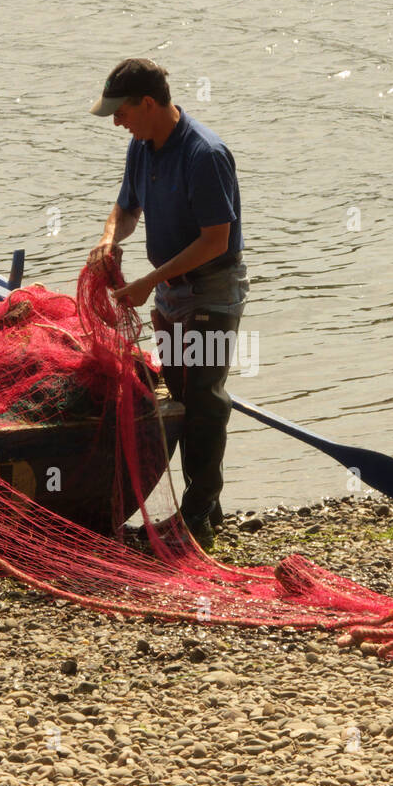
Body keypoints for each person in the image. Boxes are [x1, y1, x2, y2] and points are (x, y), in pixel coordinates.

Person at [87, 58, 248, 551]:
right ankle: (205, 503)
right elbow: (127, 206)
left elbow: (216, 241)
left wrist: (147, 281)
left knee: (203, 399)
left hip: (210, 291)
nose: (118, 122)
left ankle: (199, 509)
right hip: (171, 292)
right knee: (177, 394)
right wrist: (110, 239)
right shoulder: (142, 147)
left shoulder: (205, 154)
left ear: (149, 104)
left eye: (122, 112)